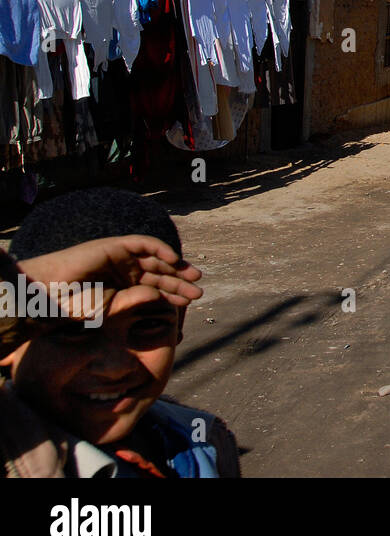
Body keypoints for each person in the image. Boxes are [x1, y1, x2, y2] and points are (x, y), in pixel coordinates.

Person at [0, 188, 240, 478]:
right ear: (10, 337)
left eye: (148, 326)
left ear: (178, 324)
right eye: (73, 329)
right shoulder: (14, 456)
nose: (114, 368)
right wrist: (24, 286)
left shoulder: (202, 442)